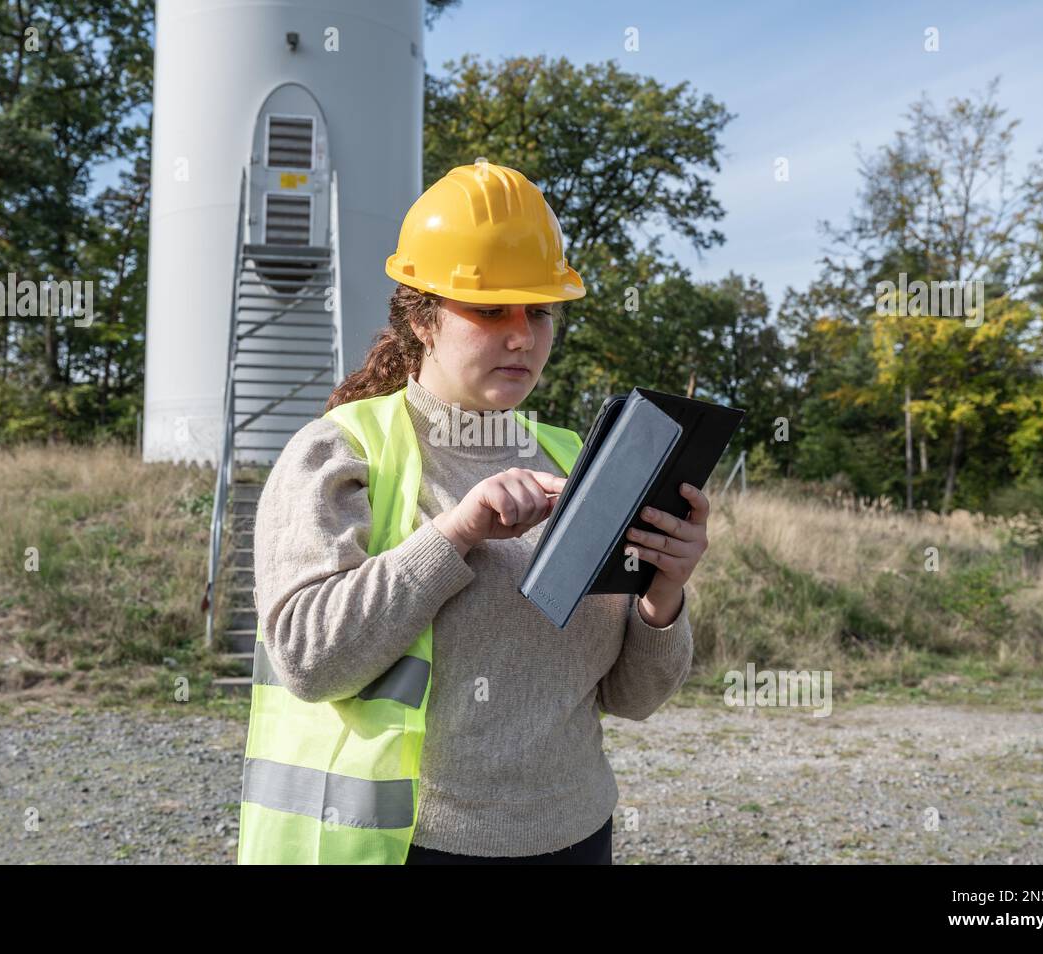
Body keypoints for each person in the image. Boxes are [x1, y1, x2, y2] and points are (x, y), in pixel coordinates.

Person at [236, 162, 709, 865]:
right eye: (491, 310)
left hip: (576, 839)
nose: (523, 336)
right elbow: (309, 661)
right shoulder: (339, 452)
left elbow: (631, 697)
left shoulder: (578, 460)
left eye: (539, 311)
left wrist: (664, 596)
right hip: (411, 846)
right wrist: (455, 533)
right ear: (423, 318)